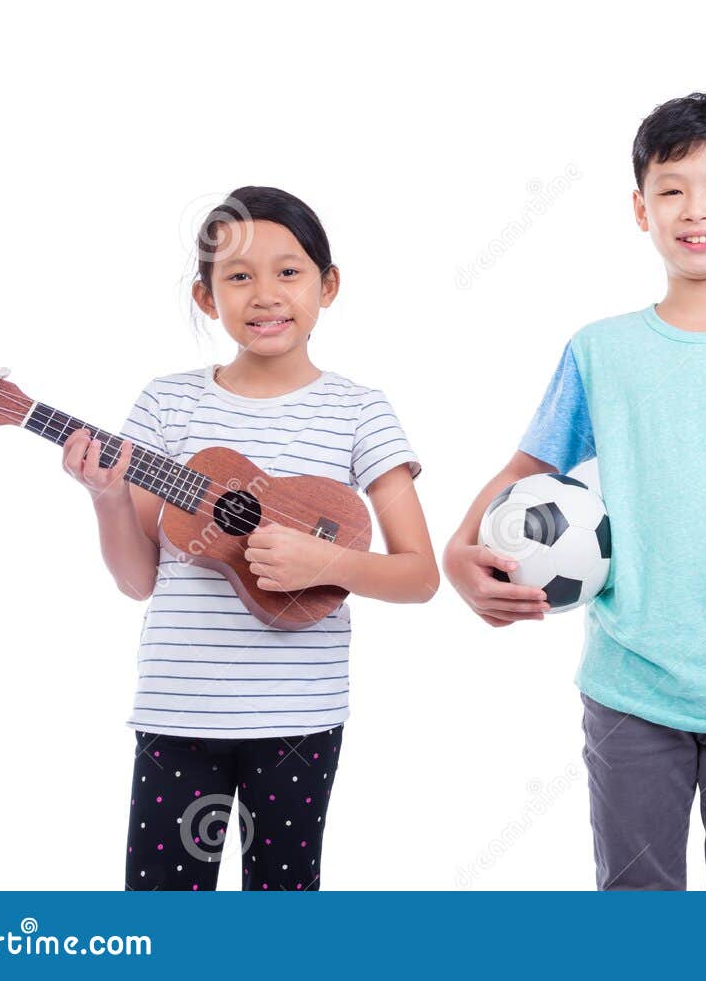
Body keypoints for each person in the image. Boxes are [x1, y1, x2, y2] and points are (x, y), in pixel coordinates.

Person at [443, 94, 706, 889]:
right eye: (671, 190)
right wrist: (457, 552)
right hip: (629, 688)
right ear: (641, 209)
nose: (695, 209)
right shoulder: (600, 351)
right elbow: (524, 471)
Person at [62, 186, 437, 890]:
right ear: (206, 297)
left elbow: (419, 576)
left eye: (288, 272)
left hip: (300, 716)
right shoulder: (167, 404)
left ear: (328, 285)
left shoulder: (359, 412)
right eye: (238, 276)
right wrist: (107, 499)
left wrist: (325, 561)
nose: (265, 295)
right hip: (177, 709)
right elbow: (137, 580)